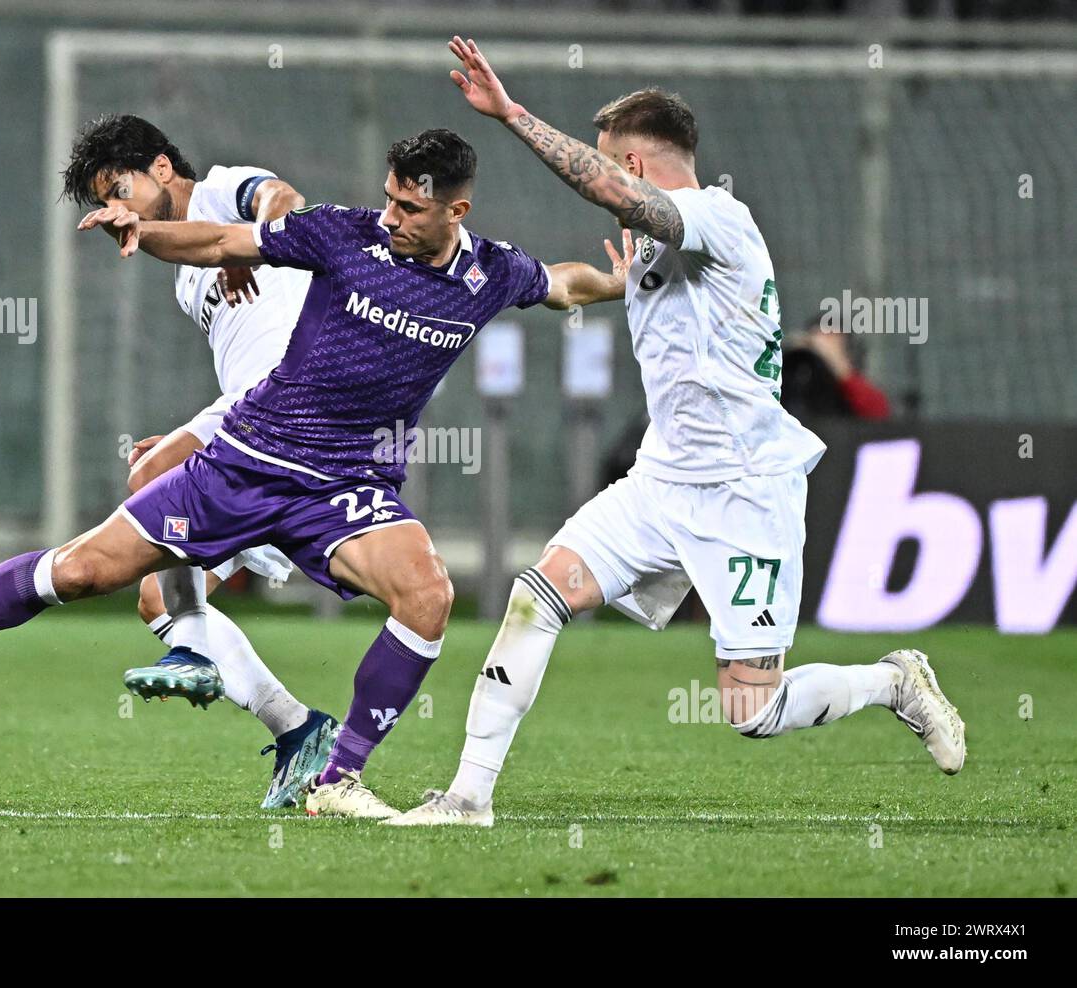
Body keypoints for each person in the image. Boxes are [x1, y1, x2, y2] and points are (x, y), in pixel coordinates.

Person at [0, 127, 629, 818]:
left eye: (409, 206)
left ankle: (335, 779)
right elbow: (220, 239)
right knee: (79, 573)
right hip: (246, 461)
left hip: (343, 487)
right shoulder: (344, 234)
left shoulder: (488, 273)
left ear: (455, 208)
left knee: (428, 595)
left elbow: (563, 284)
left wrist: (622, 281)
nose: (391, 214)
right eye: (390, 195)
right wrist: (148, 230)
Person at [388, 39, 965, 828]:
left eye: (611, 165)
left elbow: (618, 196)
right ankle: (468, 798)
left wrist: (512, 114)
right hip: (662, 480)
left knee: (750, 711)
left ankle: (894, 681)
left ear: (632, 160)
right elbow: (613, 288)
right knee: (539, 594)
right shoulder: (662, 241)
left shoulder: (716, 217)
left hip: (744, 487)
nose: (606, 177)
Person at [60, 114, 335, 810]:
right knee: (160, 597)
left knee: (149, 486)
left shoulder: (219, 192)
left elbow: (286, 201)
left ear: (159, 167)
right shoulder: (179, 265)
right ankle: (298, 729)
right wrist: (189, 431)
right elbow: (248, 344)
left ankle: (195, 660)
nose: (113, 207)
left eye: (115, 187)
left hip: (298, 398)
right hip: (255, 415)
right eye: (102, 199)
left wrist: (251, 243)